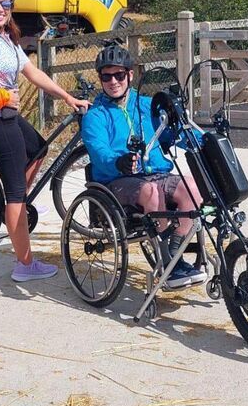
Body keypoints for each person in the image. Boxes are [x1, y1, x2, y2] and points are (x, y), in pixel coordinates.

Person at [0, 0, 91, 282]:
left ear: (12, 7)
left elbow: (33, 73)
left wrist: (67, 97)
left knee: (38, 149)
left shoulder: (7, 39)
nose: (0, 9)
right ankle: (24, 263)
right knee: (15, 194)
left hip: (8, 116)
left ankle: (17, 205)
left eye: (5, 4)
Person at [80, 45, 207, 288]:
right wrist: (119, 161)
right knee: (150, 192)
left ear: (130, 75)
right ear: (100, 79)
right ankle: (166, 260)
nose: (113, 82)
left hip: (157, 173)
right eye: (106, 77)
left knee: (192, 187)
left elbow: (174, 133)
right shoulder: (95, 116)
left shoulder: (147, 105)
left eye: (119, 75)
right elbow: (99, 152)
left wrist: (205, 141)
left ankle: (175, 257)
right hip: (116, 181)